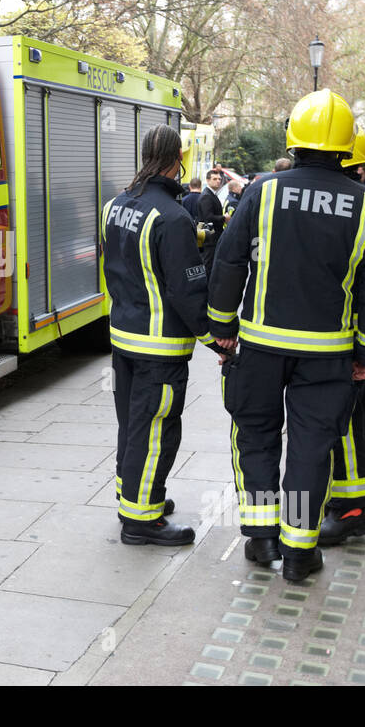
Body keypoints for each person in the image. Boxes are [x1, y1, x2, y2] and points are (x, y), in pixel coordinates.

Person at [208, 90, 365, 583]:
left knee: (256, 434)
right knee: (313, 448)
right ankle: (299, 553)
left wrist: (222, 330)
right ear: (345, 146)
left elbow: (229, 262)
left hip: (261, 347)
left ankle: (262, 537)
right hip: (328, 355)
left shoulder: (262, 191)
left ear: (293, 140)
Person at [101, 125, 223, 546]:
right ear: (178, 158)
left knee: (130, 424)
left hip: (124, 337)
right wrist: (217, 339)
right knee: (155, 428)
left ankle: (132, 493)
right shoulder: (172, 217)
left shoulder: (114, 205)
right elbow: (187, 290)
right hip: (160, 347)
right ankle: (142, 519)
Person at [320, 129, 365, 545]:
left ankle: (353, 508)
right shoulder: (360, 205)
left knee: (348, 422)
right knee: (343, 421)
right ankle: (343, 500)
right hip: (348, 336)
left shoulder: (364, 206)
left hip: (350, 338)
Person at [198, 169, 225, 273]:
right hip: (208, 234)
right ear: (208, 180)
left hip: (208, 233)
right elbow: (208, 217)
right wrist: (224, 218)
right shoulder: (206, 196)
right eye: (214, 179)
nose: (218, 181)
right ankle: (206, 286)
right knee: (208, 263)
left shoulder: (211, 194)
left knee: (210, 262)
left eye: (219, 179)